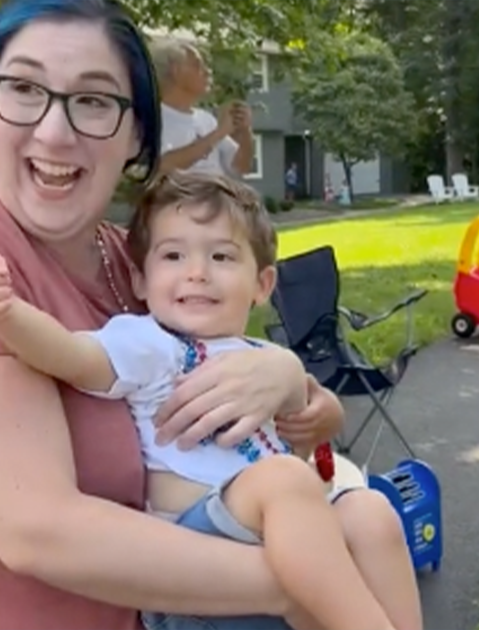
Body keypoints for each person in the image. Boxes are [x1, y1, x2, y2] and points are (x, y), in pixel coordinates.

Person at [0, 2, 420, 628]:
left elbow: (241, 368)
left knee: (369, 511)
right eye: (23, 88)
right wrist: (310, 580)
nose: (55, 132)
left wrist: (285, 375)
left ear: (138, 134)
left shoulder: (140, 257)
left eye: (93, 101)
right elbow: (35, 529)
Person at [151, 36, 254, 178]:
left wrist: (246, 132)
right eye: (197, 65)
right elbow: (162, 166)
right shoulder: (152, 119)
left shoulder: (206, 119)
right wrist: (220, 132)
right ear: (175, 70)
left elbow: (240, 168)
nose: (208, 72)